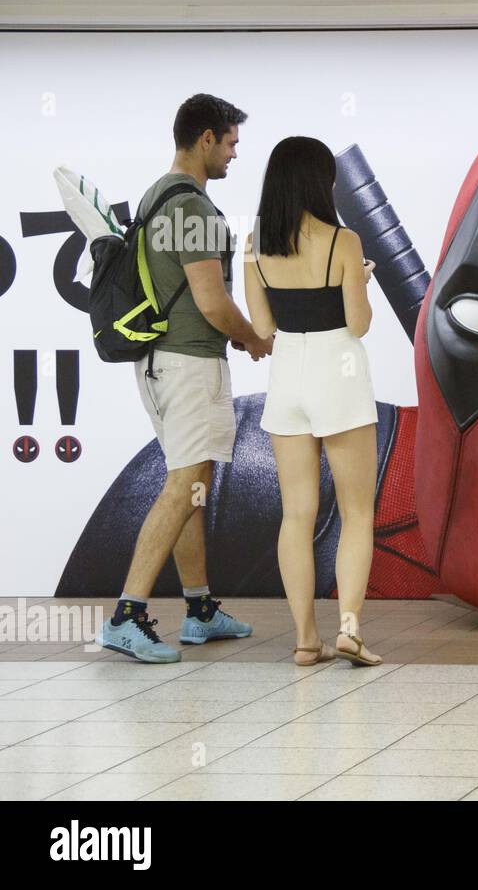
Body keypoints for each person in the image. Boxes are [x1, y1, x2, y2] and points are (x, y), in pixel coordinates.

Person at [98, 93, 270, 664]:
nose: (234, 154)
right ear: (205, 139)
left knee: (191, 486)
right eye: (231, 142)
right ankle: (127, 614)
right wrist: (254, 339)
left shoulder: (154, 197)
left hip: (157, 364)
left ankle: (198, 610)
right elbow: (212, 301)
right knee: (183, 488)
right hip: (191, 364)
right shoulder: (193, 208)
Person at [243, 136, 382, 667]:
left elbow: (262, 327)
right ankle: (348, 628)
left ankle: (305, 639)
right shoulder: (343, 241)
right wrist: (361, 280)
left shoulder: (255, 243)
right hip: (339, 373)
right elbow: (359, 323)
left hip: (288, 375)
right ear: (319, 181)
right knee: (356, 513)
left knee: (296, 515)